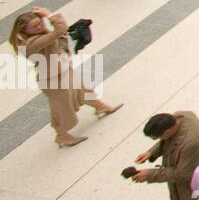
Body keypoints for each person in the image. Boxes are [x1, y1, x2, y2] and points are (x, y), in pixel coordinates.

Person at [7, 9, 122, 147]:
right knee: (62, 108)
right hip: (53, 80)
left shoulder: (40, 36)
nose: (39, 27)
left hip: (62, 72)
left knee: (83, 90)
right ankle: (62, 135)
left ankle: (101, 107)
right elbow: (60, 29)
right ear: (24, 30)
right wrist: (48, 14)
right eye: (34, 26)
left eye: (39, 23)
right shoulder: (31, 44)